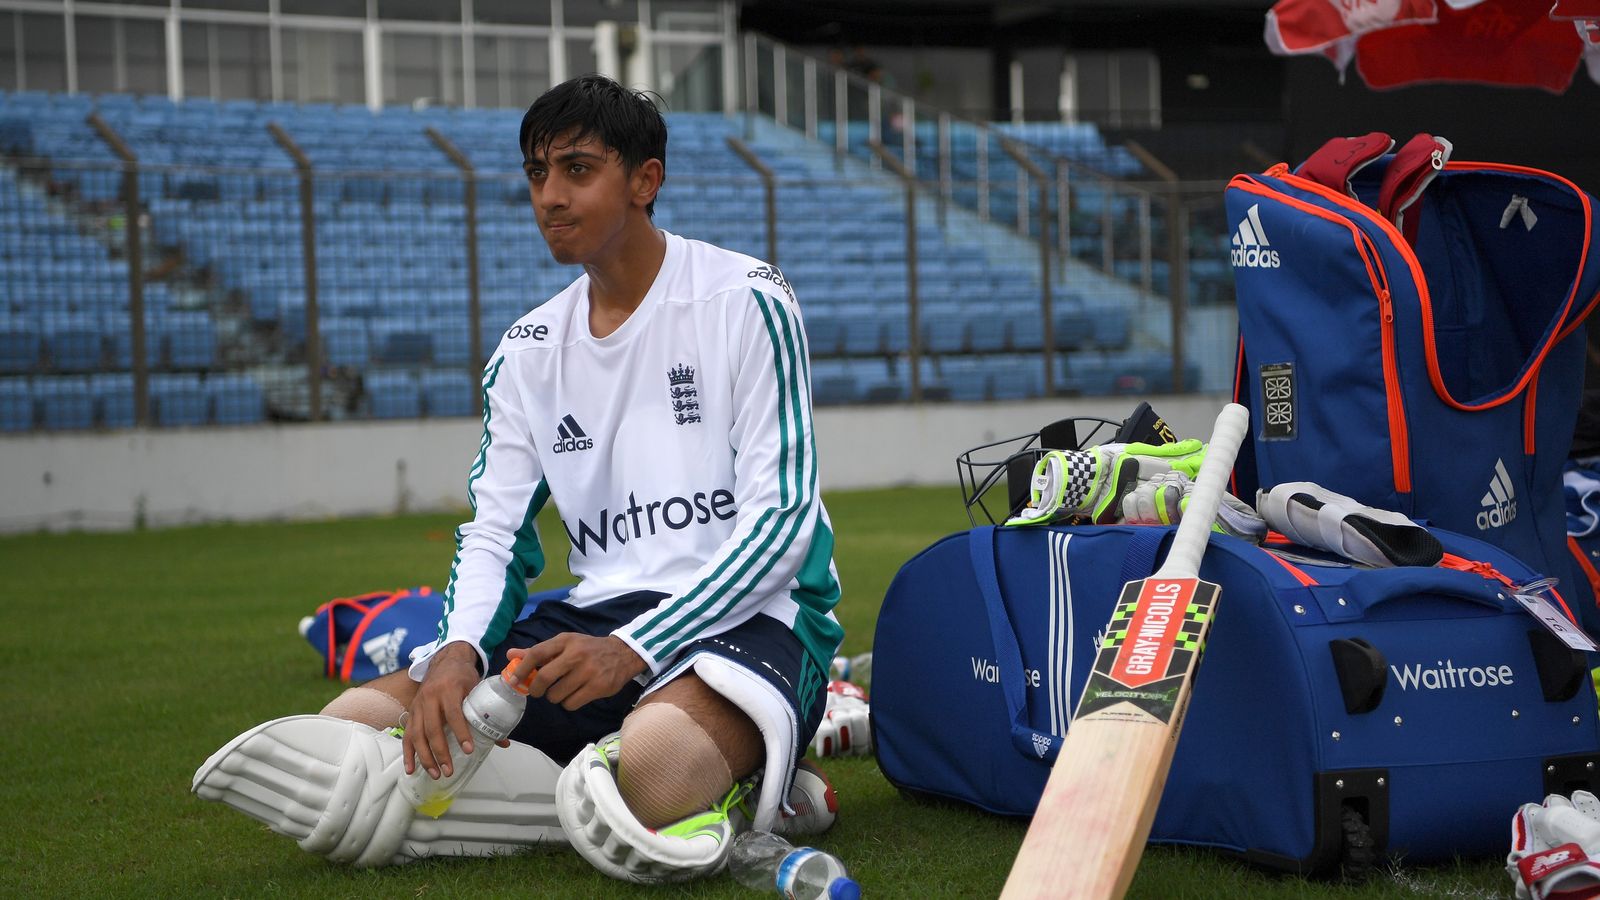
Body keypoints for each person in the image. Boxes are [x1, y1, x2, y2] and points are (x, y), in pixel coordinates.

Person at [192, 74, 844, 882]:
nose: (549, 197)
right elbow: (493, 530)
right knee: (351, 722)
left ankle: (691, 774)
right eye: (538, 174)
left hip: (752, 617)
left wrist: (632, 649)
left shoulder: (745, 300)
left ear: (646, 181)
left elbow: (783, 524)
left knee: (658, 768)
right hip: (595, 620)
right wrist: (459, 651)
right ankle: (595, 791)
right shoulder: (528, 350)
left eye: (577, 170)